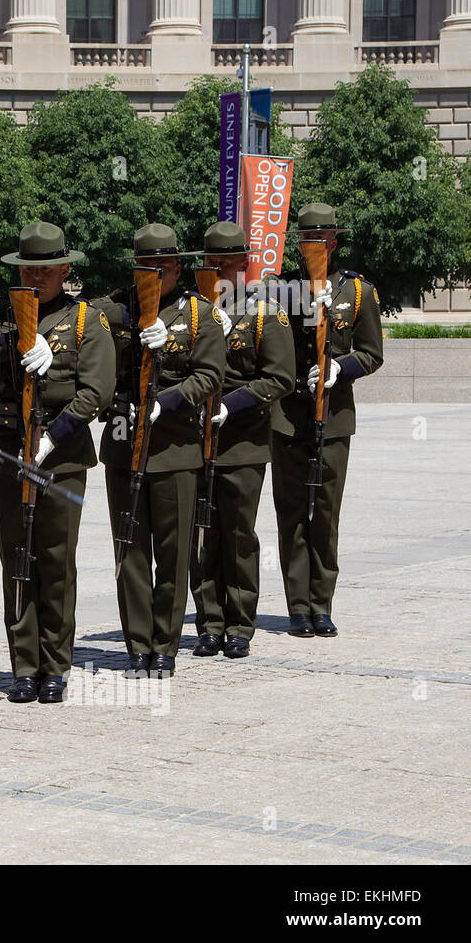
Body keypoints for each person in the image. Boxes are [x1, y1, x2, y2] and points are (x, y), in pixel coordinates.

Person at [0, 222, 114, 703]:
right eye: (28, 269)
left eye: (46, 268)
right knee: (16, 556)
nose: (37, 277)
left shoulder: (85, 320)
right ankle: (23, 663)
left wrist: (52, 437)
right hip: (8, 451)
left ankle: (55, 663)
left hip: (61, 457)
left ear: (63, 269)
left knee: (56, 560)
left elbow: (96, 392)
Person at [93, 224, 224, 677]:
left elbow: (210, 376)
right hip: (123, 443)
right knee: (129, 549)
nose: (156, 274)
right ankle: (137, 643)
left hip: (174, 446)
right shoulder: (113, 310)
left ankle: (165, 645)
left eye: (164, 266)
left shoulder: (198, 314)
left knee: (172, 550)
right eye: (147, 266)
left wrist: (165, 401)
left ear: (177, 267)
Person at [270, 203, 384, 637]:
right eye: (305, 241)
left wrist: (339, 368)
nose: (311, 248)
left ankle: (323, 603)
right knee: (292, 512)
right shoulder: (281, 290)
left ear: (333, 243)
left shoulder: (356, 292)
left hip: (333, 417)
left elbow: (372, 353)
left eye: (319, 241)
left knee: (326, 513)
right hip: (289, 414)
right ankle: (298, 605)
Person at [188, 222, 294, 659]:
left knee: (237, 531)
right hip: (195, 439)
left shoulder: (265, 311)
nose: (220, 269)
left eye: (228, 262)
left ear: (244, 263)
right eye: (213, 262)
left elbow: (280, 377)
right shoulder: (193, 312)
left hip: (243, 440)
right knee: (203, 531)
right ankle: (209, 620)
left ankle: (239, 623)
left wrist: (233, 404)